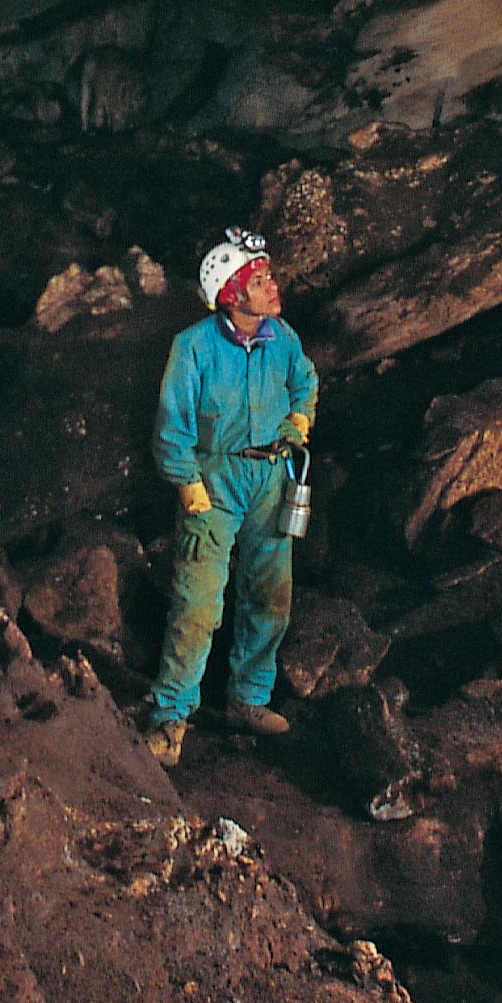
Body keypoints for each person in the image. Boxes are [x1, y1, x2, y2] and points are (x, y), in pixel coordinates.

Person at [140, 228, 318, 769]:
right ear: (232, 294)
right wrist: (187, 483)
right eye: (260, 281)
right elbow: (172, 423)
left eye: (268, 277)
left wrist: (299, 417)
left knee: (271, 594)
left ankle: (249, 699)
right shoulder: (192, 347)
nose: (272, 286)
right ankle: (170, 717)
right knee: (197, 606)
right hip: (214, 480)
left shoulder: (281, 337)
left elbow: (304, 380)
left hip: (271, 476)